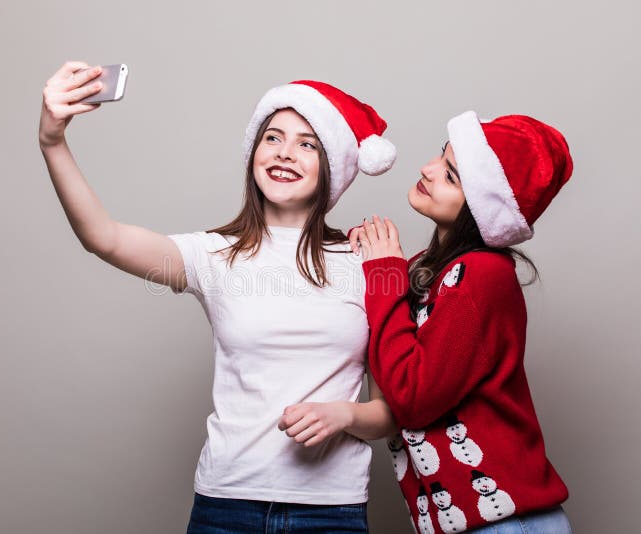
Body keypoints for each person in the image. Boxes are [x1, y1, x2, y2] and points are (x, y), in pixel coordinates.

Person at [38, 61, 398, 533]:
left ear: (333, 166)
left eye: (307, 143)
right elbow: (103, 237)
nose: (285, 153)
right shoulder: (213, 255)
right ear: (253, 151)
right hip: (227, 507)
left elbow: (389, 413)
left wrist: (343, 414)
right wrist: (52, 142)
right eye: (273, 137)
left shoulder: (367, 261)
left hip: (333, 511)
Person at [348, 111, 573, 533]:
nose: (428, 170)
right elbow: (387, 362)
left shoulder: (482, 275)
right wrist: (370, 266)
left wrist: (385, 273)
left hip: (506, 523)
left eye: (451, 177)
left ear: (481, 209)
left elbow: (411, 398)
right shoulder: (426, 270)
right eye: (440, 157)